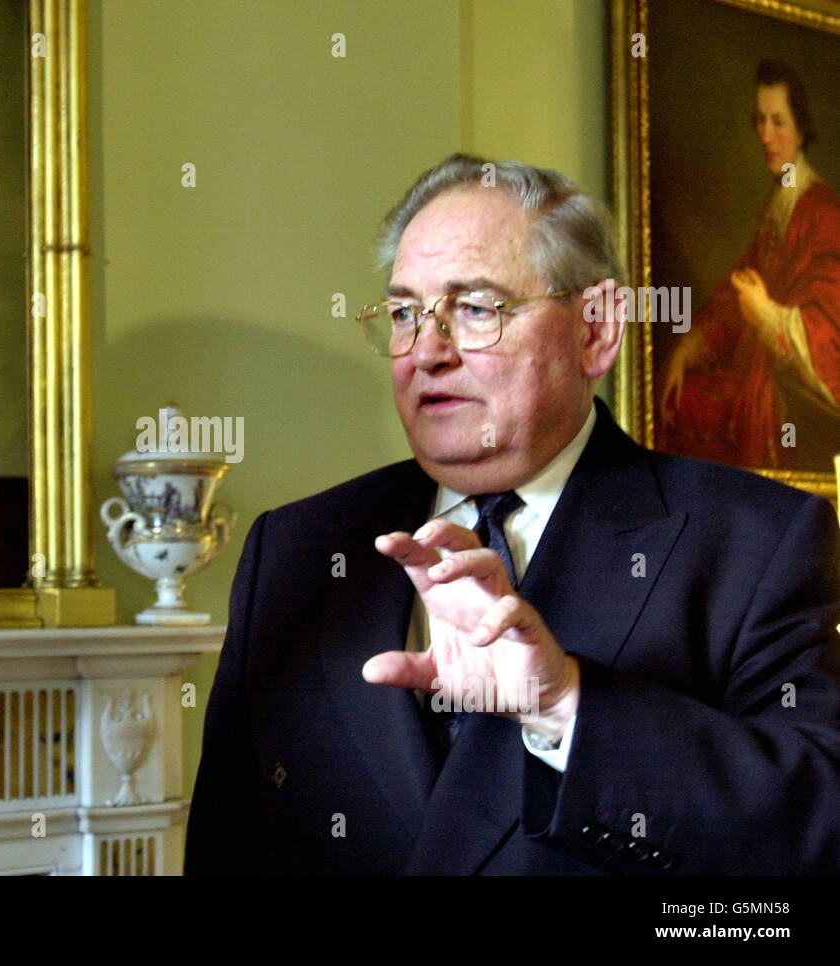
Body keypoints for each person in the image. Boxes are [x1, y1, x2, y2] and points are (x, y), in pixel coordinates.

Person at [185, 153, 840, 875]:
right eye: (404, 314)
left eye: (475, 309)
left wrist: (568, 707)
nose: (425, 352)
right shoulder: (298, 548)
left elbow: (815, 833)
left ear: (597, 331)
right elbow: (227, 842)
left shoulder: (756, 541)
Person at [660, 59, 840, 470]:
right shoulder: (781, 205)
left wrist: (766, 316)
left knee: (698, 411)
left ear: (801, 129)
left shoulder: (823, 213)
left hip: (796, 395)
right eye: (760, 120)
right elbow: (733, 296)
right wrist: (690, 347)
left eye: (778, 121)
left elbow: (830, 333)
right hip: (758, 373)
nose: (765, 134)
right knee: (680, 396)